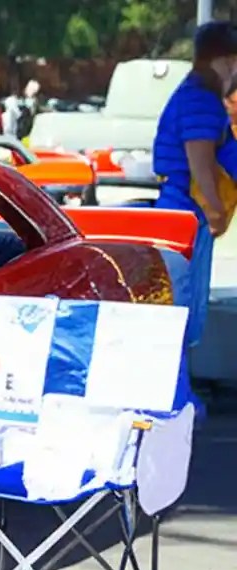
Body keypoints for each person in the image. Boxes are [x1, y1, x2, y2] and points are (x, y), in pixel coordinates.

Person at [152, 20, 237, 349]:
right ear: (225, 61)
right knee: (182, 307)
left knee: (185, 304)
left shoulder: (200, 97)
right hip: (185, 212)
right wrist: (215, 209)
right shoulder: (199, 99)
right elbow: (199, 158)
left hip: (187, 212)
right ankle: (179, 389)